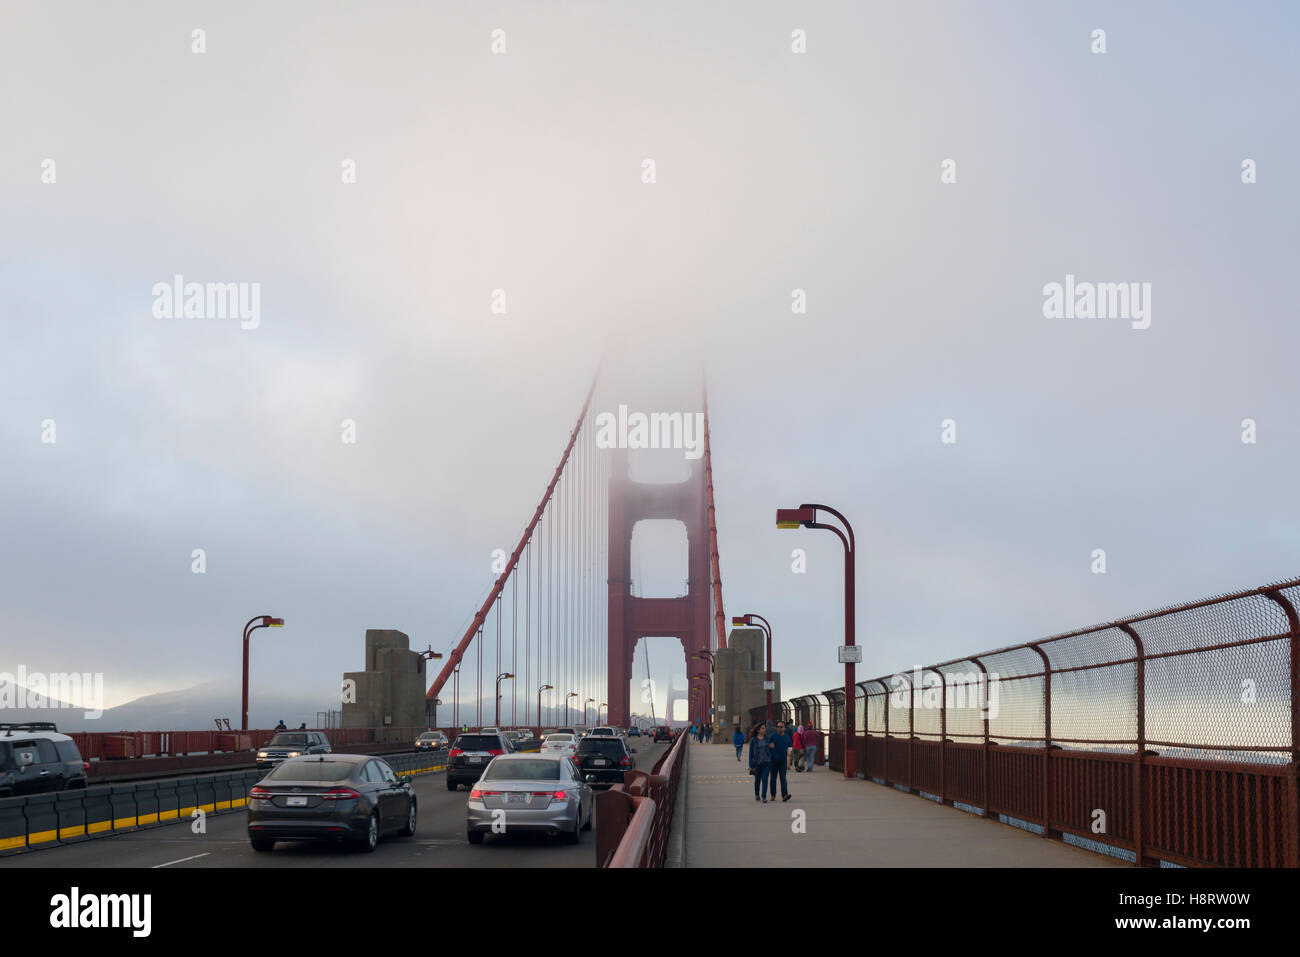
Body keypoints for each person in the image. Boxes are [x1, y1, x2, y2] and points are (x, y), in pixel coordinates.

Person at [768, 720, 792, 802]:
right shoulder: (772, 736)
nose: (779, 728)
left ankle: (784, 795)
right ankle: (773, 795)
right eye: (778, 727)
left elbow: (790, 748)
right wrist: (775, 756)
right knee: (773, 779)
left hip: (783, 762)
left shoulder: (787, 737)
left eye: (781, 727)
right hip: (773, 761)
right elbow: (771, 748)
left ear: (784, 728)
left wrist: (789, 759)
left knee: (783, 778)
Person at [748, 724, 772, 802]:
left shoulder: (768, 739)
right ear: (758, 730)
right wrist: (751, 764)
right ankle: (757, 794)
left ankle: (764, 796)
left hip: (767, 762)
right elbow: (751, 753)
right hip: (757, 763)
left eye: (765, 728)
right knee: (757, 780)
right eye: (763, 728)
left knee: (765, 779)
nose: (764, 730)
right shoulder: (753, 740)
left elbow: (771, 749)